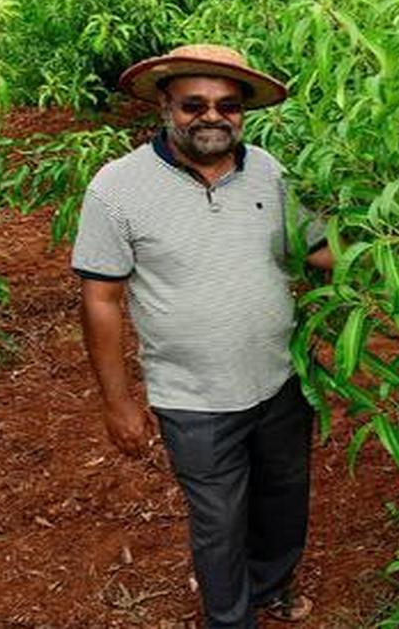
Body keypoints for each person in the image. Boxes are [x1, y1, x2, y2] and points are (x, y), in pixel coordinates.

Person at [71, 44, 332, 627]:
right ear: (165, 105)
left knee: (283, 501)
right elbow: (102, 299)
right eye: (194, 104)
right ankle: (229, 618)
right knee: (218, 522)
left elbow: (315, 250)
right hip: (193, 397)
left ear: (243, 112)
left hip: (281, 377)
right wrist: (117, 402)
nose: (212, 117)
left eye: (228, 106)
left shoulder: (269, 169)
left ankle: (271, 584)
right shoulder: (117, 189)